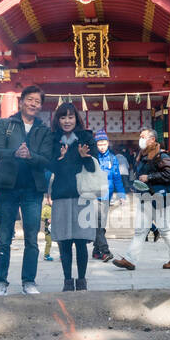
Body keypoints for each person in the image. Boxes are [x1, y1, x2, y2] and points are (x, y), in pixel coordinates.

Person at [0, 85, 53, 296]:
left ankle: (29, 281)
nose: (34, 104)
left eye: (38, 101)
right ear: (21, 101)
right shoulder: (5, 124)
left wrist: (31, 156)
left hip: (32, 190)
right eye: (30, 99)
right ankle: (0, 282)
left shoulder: (44, 130)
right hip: (7, 189)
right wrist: (15, 153)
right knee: (4, 236)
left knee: (32, 238)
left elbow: (46, 159)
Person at [112, 128, 170, 272]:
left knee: (165, 228)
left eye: (143, 136)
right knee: (140, 230)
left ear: (152, 139)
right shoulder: (143, 156)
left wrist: (149, 178)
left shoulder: (161, 156)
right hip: (146, 196)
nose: (140, 139)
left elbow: (169, 174)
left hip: (160, 197)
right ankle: (129, 260)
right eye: (140, 136)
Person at [48, 104, 99, 291]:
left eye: (70, 117)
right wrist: (59, 159)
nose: (67, 121)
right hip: (61, 195)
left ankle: (82, 280)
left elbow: (94, 168)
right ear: (58, 120)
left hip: (82, 196)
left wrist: (84, 157)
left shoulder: (86, 137)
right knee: (65, 241)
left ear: (76, 119)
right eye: (63, 117)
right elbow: (50, 167)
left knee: (81, 241)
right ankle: (67, 280)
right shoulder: (53, 139)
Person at [91, 130, 124, 262]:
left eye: (104, 144)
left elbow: (117, 178)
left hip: (106, 196)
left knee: (101, 225)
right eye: (99, 144)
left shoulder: (112, 158)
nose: (102, 147)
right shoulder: (92, 157)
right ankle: (105, 251)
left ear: (108, 143)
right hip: (93, 196)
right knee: (98, 224)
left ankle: (95, 251)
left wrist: (121, 194)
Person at [41, 195, 54, 261]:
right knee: (49, 242)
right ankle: (46, 255)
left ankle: (62, 255)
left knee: (60, 242)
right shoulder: (46, 208)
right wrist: (47, 219)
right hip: (48, 229)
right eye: (51, 200)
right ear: (47, 200)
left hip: (55, 228)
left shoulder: (56, 207)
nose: (53, 201)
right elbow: (41, 216)